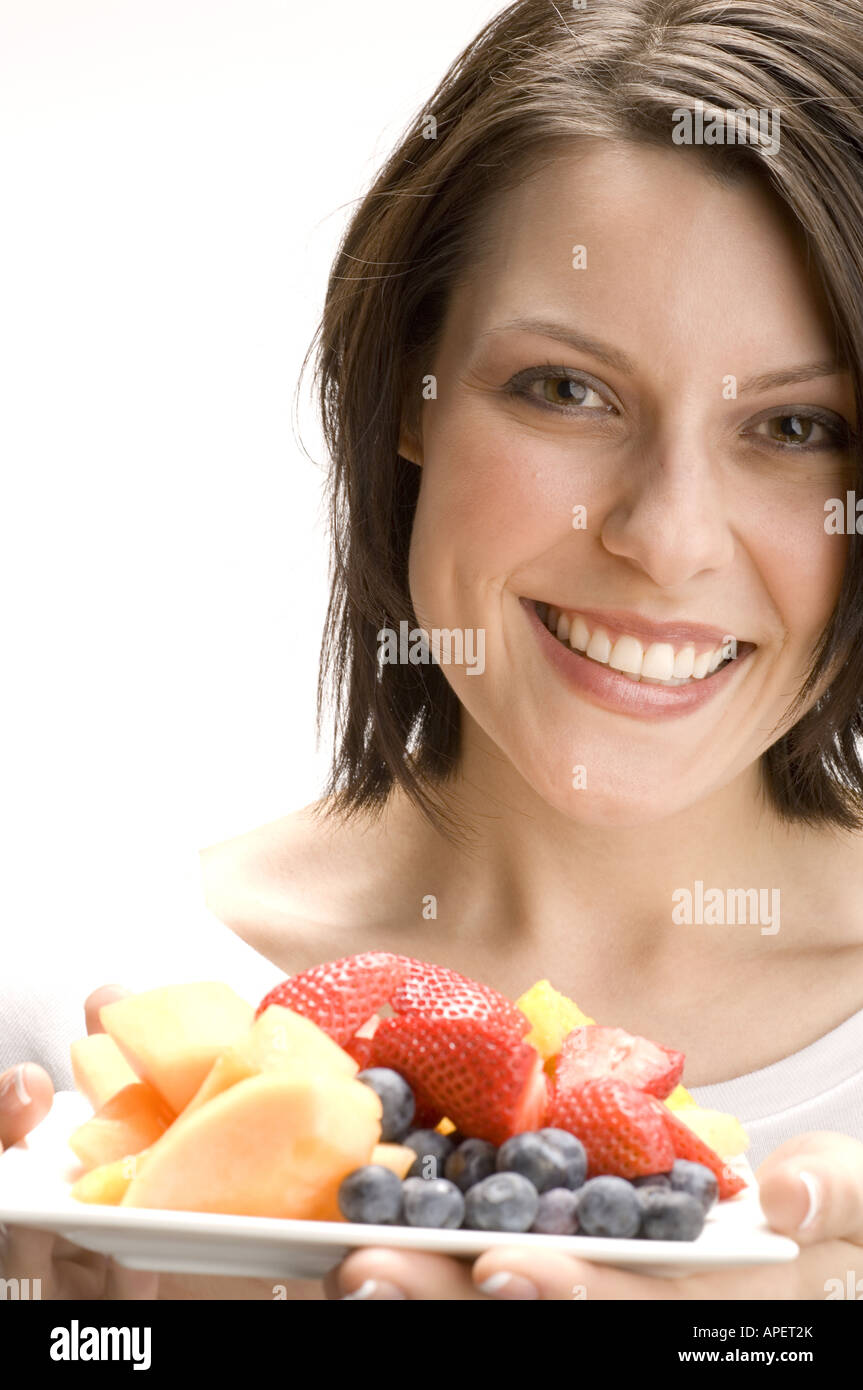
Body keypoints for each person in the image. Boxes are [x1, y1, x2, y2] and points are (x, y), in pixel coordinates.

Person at [3, 0, 863, 1300]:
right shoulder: (62, 1023)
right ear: (412, 388)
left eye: (796, 427)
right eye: (567, 390)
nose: (667, 536)